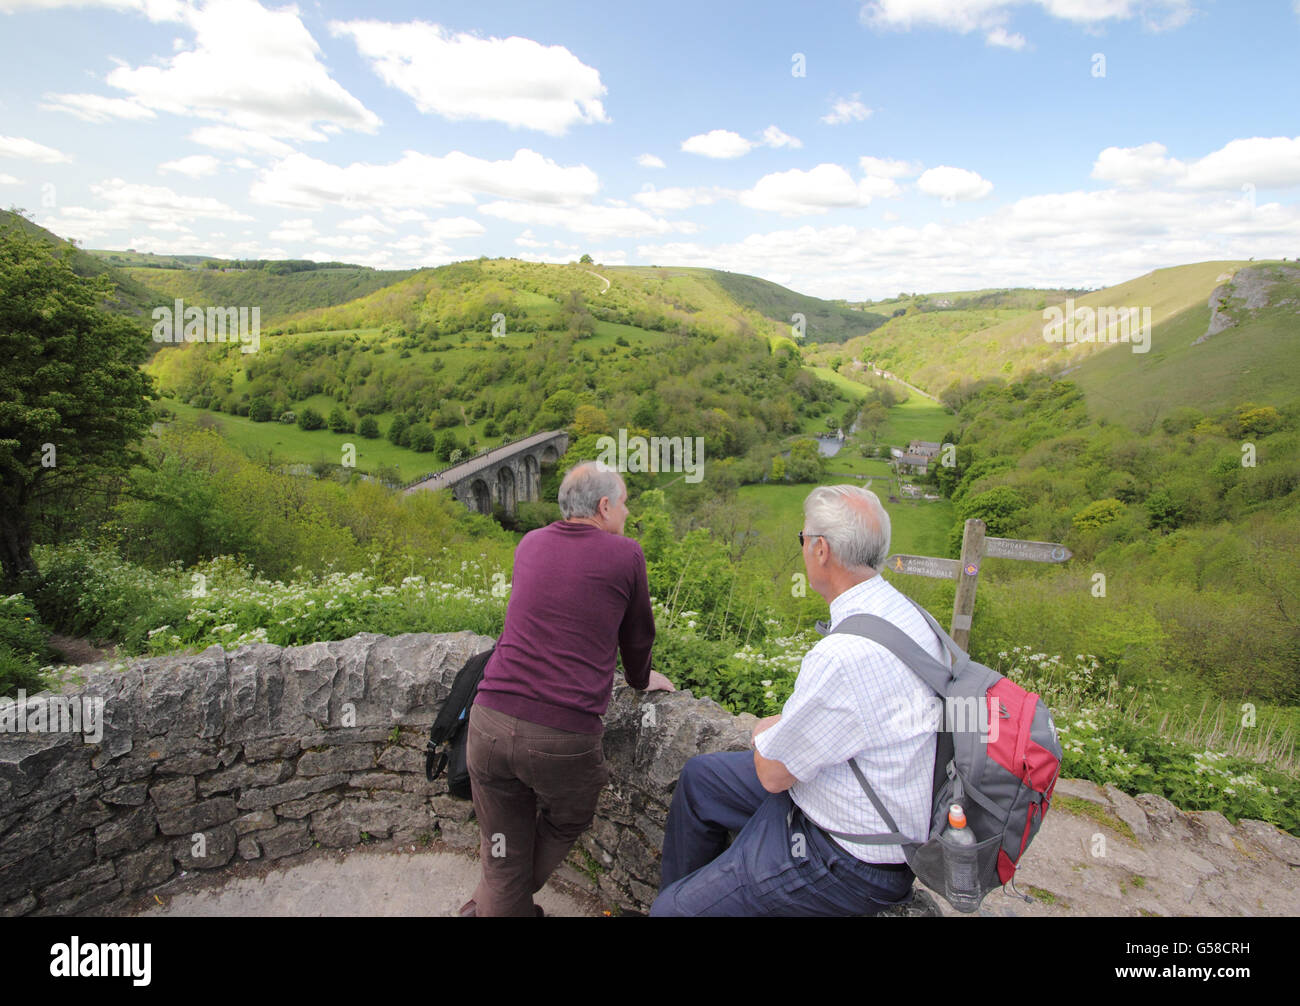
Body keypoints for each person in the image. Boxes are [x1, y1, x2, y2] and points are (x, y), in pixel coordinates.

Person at [651, 485, 944, 917]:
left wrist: (761, 730)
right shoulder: (909, 615)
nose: (805, 548)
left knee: (669, 914)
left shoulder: (843, 653)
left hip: (850, 857)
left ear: (820, 549)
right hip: (864, 805)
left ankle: (680, 906)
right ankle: (695, 894)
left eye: (803, 540)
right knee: (701, 780)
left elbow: (772, 773)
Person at [462, 461, 673, 917]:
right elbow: (637, 636)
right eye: (623, 502)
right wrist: (640, 679)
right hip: (563, 735)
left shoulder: (530, 543)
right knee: (569, 817)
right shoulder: (626, 554)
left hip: (490, 719)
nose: (628, 511)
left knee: (501, 838)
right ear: (603, 506)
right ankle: (503, 901)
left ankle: (500, 899)